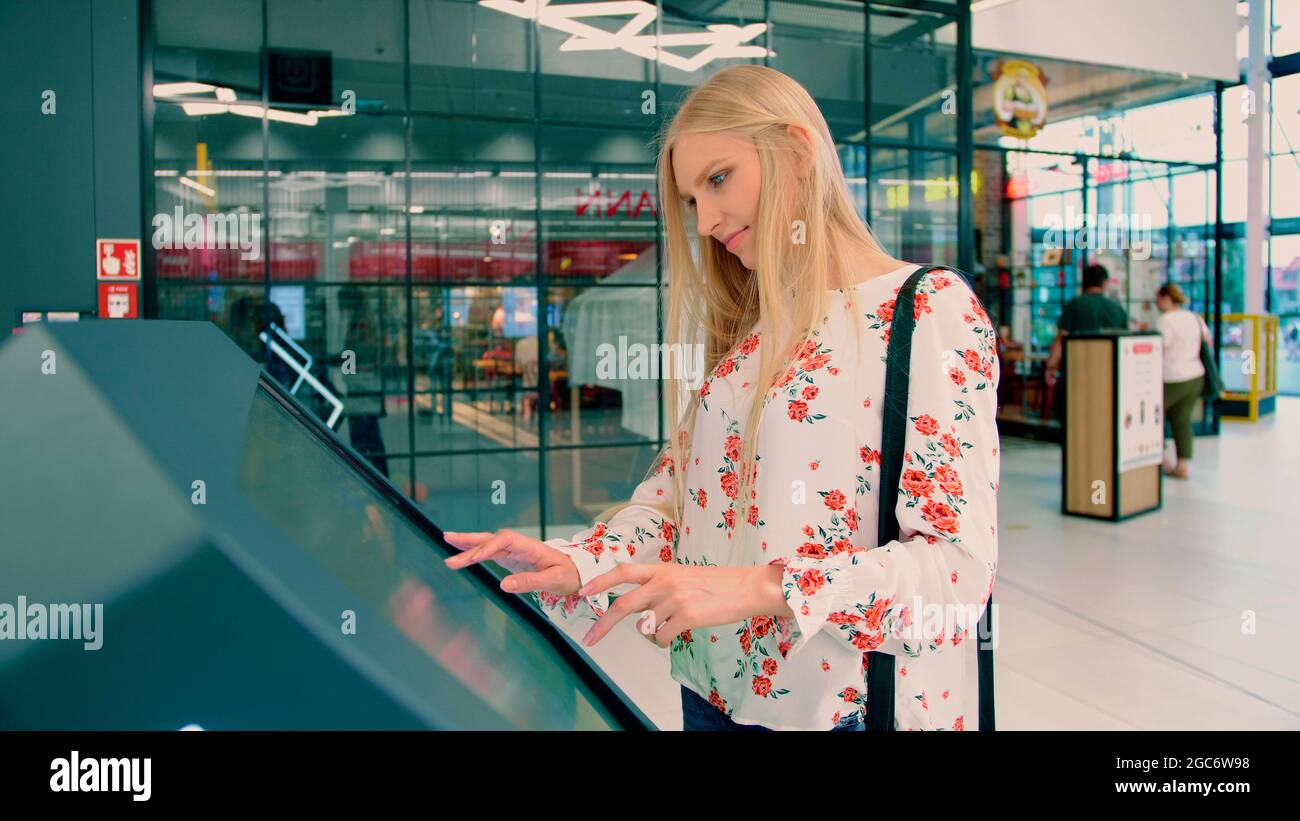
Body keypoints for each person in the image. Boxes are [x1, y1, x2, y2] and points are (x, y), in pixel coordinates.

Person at [443, 65, 999, 732]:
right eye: (690, 200)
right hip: (709, 694)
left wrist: (755, 587)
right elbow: (681, 502)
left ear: (796, 151)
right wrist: (580, 561)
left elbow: (956, 576)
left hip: (834, 711)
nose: (704, 221)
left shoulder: (927, 311)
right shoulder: (752, 331)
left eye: (718, 179)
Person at [1045, 263, 1130, 421]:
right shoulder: (1116, 308)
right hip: (1109, 374)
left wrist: (1051, 365)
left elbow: (1062, 338)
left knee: (1072, 418)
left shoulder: (1075, 305)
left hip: (1076, 373)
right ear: (1105, 283)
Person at [1155, 283, 1210, 479]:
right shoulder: (1193, 317)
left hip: (1172, 377)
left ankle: (1160, 458)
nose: (1156, 302)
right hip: (1195, 375)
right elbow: (1207, 340)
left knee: (1155, 416)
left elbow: (1160, 346)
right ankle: (1183, 465)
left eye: (1158, 298)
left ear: (1166, 298)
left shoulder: (1165, 320)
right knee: (1182, 420)